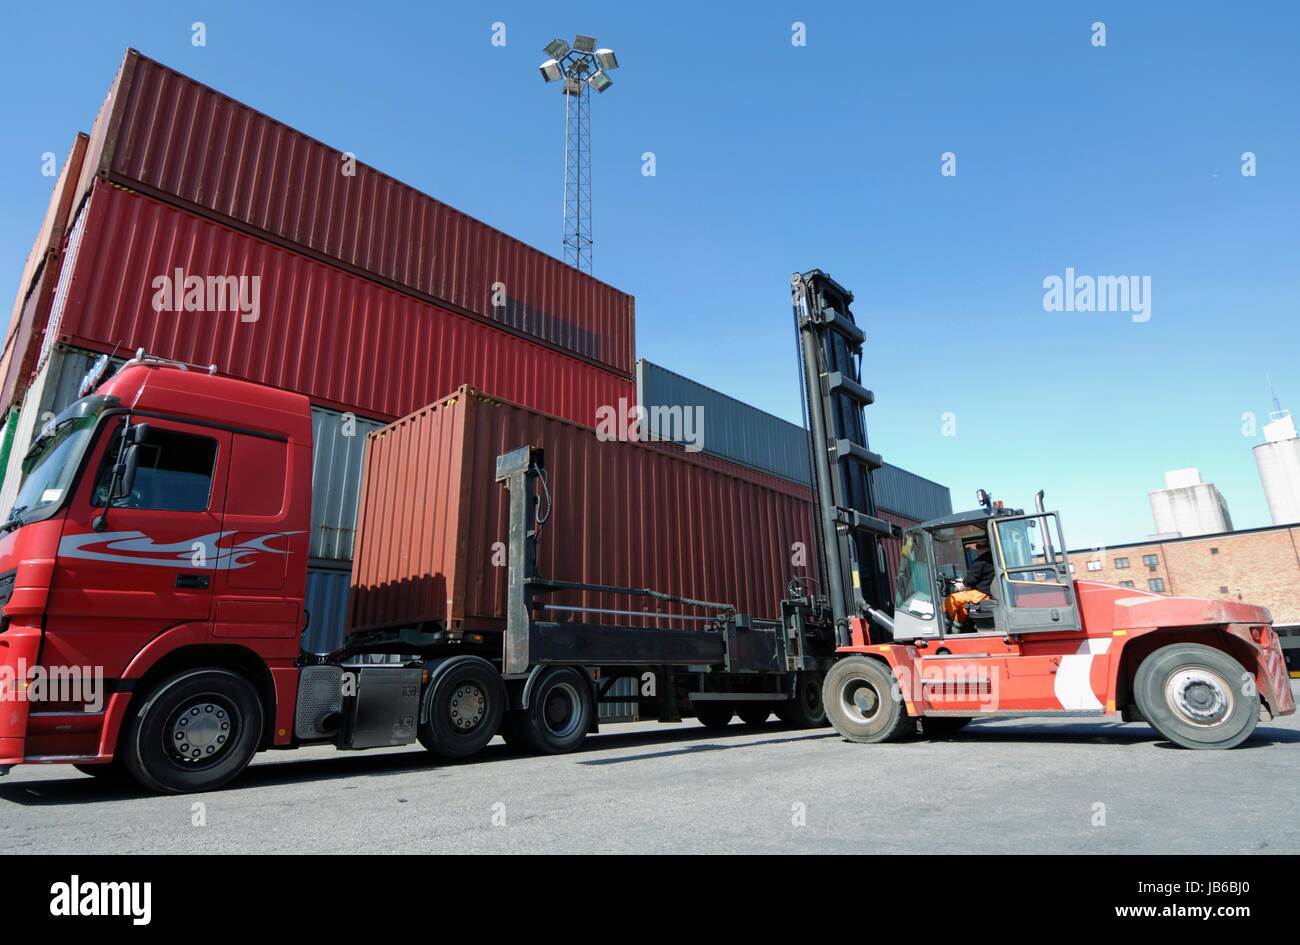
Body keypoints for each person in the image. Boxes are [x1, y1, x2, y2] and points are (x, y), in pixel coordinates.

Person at [944, 537, 995, 627]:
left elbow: (971, 579)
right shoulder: (992, 558)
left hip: (981, 593)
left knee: (951, 599)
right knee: (962, 602)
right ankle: (962, 623)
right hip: (988, 591)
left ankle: (950, 626)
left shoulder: (981, 561)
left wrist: (956, 588)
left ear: (978, 549)